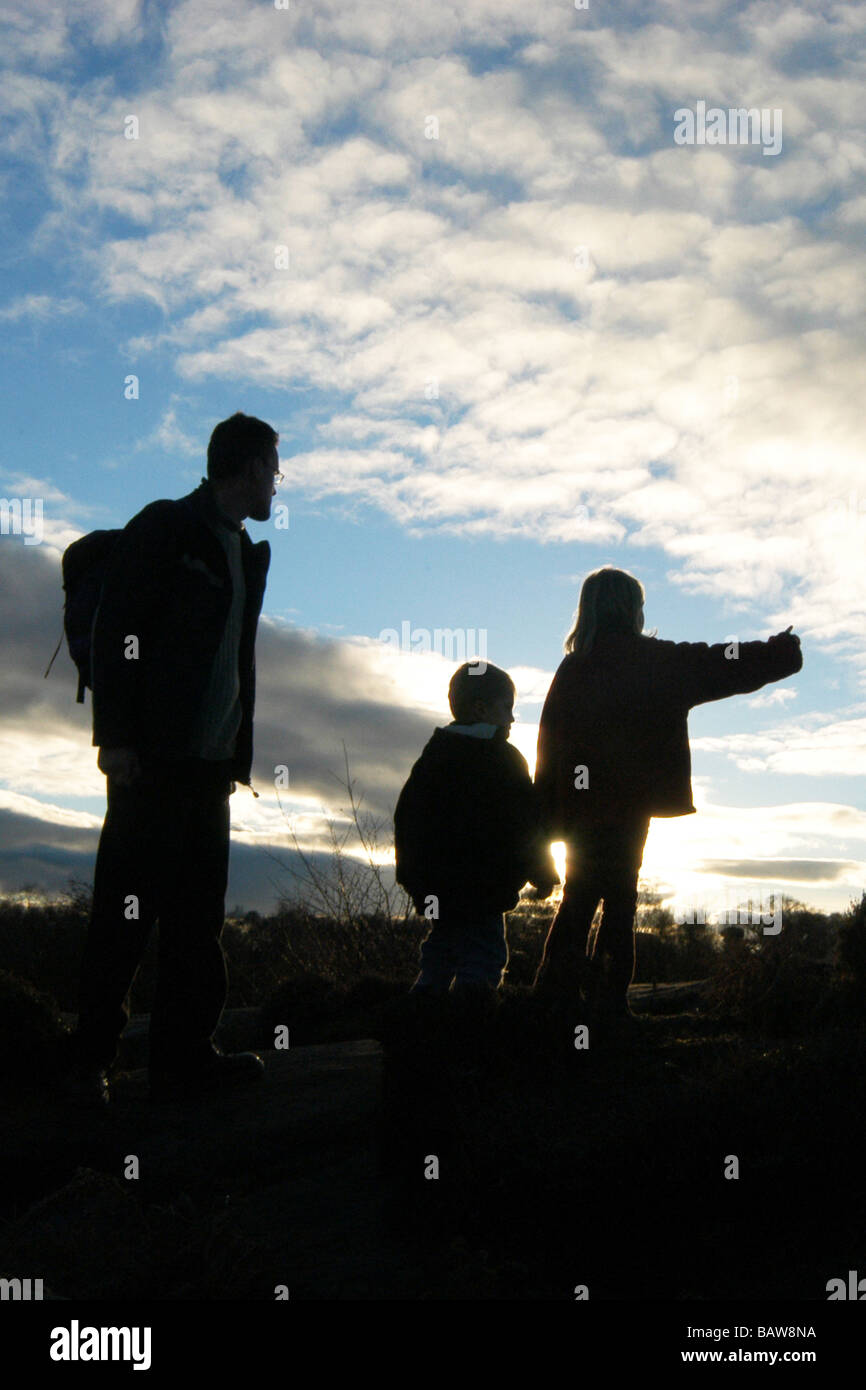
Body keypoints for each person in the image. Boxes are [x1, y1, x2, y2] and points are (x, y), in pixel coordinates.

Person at [70, 412, 278, 1104]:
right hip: (152, 761)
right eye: (272, 468)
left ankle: (183, 1057)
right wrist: (117, 738)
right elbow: (117, 630)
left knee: (197, 919)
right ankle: (85, 1064)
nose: (277, 481)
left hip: (209, 771)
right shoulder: (165, 527)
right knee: (124, 915)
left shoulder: (242, 550)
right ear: (249, 469)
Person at [533, 566, 803, 1023]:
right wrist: (779, 652)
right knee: (619, 900)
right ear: (633, 610)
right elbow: (723, 661)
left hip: (581, 808)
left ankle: (553, 999)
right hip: (627, 808)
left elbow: (548, 745)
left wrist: (542, 819)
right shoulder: (653, 660)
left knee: (579, 896)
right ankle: (606, 1005)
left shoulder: (574, 668)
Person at [394, 661, 558, 998]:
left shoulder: (432, 759)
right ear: (482, 708)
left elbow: (408, 824)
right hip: (485, 888)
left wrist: (416, 884)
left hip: (440, 889)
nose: (512, 718)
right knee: (484, 960)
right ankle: (472, 1030)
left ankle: (419, 1022)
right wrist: (542, 872)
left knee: (440, 954)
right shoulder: (505, 760)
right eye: (507, 708)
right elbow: (527, 824)